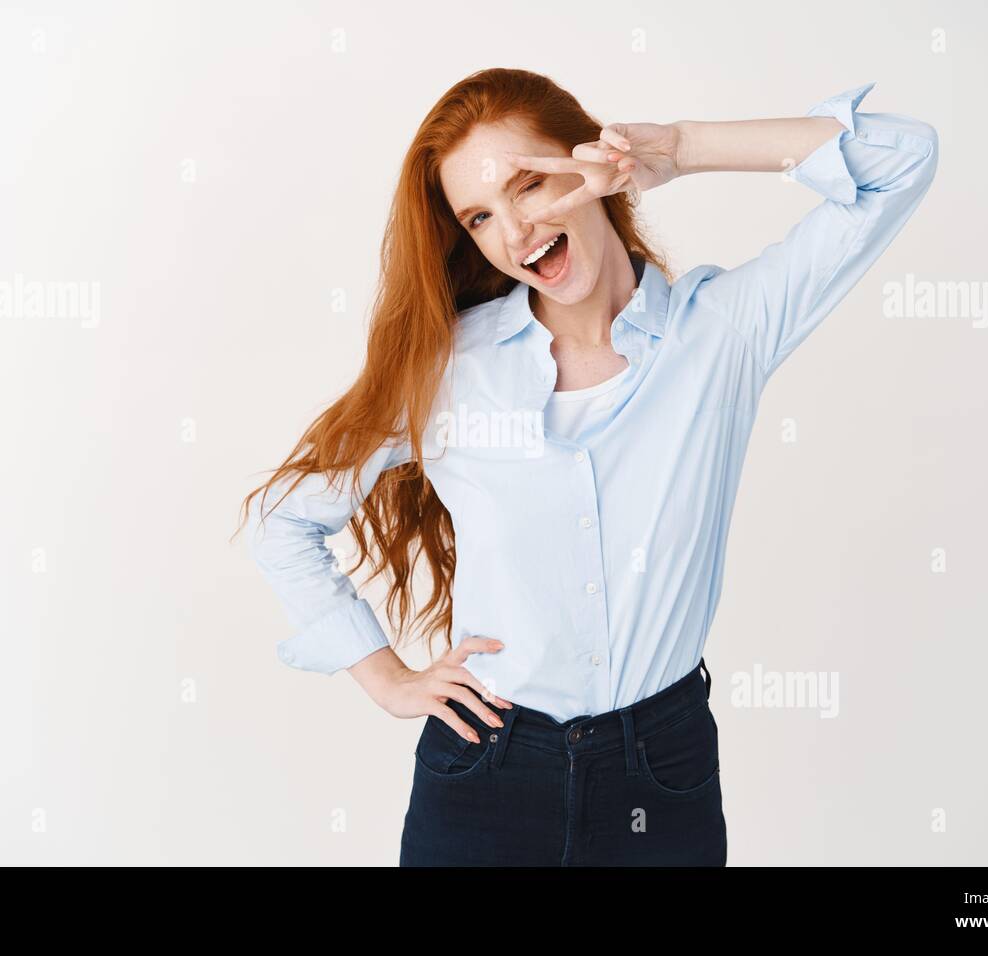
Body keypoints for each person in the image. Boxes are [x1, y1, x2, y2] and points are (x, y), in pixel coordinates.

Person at [236, 68, 939, 866]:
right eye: (480, 217)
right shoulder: (447, 370)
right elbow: (285, 519)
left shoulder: (722, 335)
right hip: (485, 776)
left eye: (530, 185)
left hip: (660, 775)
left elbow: (902, 157)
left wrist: (677, 148)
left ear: (594, 161)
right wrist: (388, 678)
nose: (515, 231)